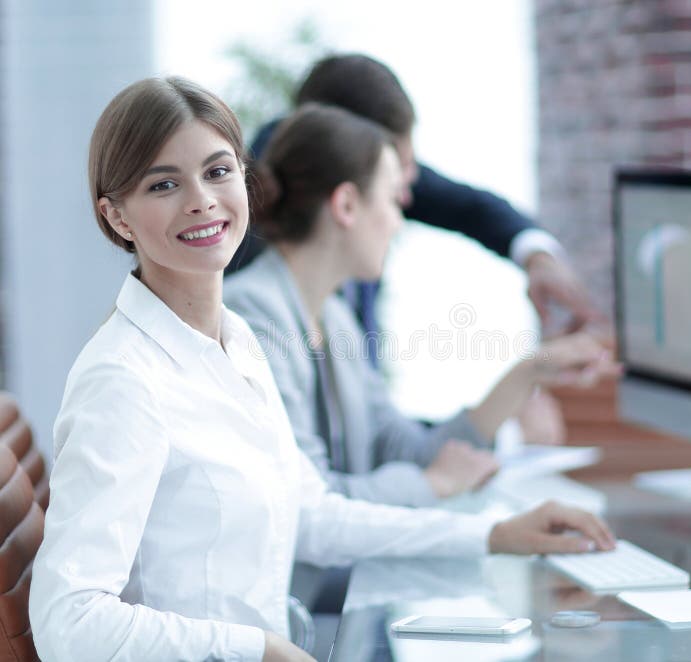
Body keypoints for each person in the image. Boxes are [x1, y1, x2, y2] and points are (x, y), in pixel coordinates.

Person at [29, 77, 615, 662]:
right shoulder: (123, 380)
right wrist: (255, 648)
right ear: (118, 217)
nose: (202, 200)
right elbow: (69, 624)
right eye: (163, 184)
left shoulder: (236, 342)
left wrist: (493, 535)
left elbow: (311, 514)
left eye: (217, 171)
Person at [225, 103, 616, 508]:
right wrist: (434, 486)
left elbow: (409, 453)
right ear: (345, 206)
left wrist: (529, 373)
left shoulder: (335, 317)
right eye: (394, 200)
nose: (398, 222)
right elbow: (307, 504)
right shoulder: (254, 315)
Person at [232, 53, 594, 443]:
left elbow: (380, 443)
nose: (409, 196)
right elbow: (313, 490)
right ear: (346, 193)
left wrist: (537, 265)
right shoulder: (256, 312)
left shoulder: (334, 317)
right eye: (395, 182)